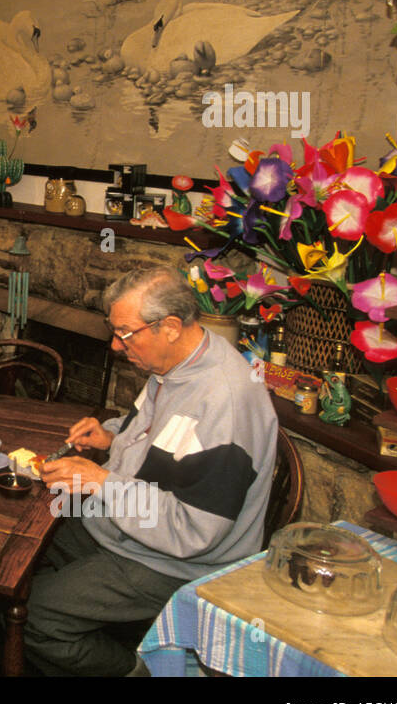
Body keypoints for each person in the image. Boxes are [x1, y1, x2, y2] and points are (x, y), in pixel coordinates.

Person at [25, 265, 277, 676]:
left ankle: (144, 671)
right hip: (127, 528)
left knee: (38, 621)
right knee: (22, 538)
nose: (115, 346)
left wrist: (101, 480)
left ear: (171, 326)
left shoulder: (225, 403)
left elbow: (195, 529)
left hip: (174, 561)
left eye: (125, 333)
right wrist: (110, 437)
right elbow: (161, 432)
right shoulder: (174, 365)